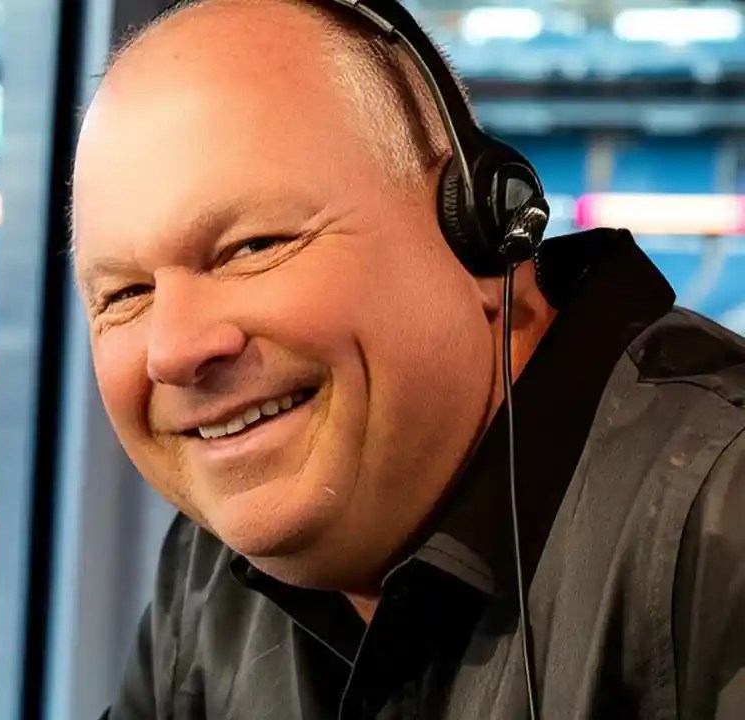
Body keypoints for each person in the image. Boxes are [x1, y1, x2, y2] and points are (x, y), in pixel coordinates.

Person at [68, 0, 745, 717]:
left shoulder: (720, 517)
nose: (173, 351)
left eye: (253, 247)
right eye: (125, 295)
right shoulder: (207, 574)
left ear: (477, 238)